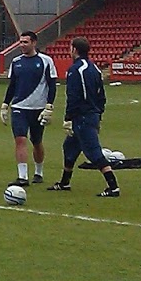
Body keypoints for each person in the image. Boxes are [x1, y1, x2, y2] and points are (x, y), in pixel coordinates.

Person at [49, 36, 119, 197]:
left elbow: (73, 96)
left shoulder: (75, 70)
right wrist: (99, 114)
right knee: (69, 147)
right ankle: (65, 182)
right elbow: (102, 96)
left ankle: (113, 187)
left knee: (93, 152)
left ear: (74, 49)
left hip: (82, 117)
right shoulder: (94, 68)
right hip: (91, 114)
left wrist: (68, 118)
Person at [0, 31, 58, 187]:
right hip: (19, 108)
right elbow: (12, 86)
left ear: (34, 43)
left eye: (25, 42)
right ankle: (22, 176)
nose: (22, 45)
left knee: (37, 141)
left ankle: (39, 172)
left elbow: (52, 85)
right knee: (20, 139)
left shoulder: (46, 61)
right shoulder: (16, 62)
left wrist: (49, 105)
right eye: (21, 42)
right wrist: (5, 104)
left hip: (38, 108)